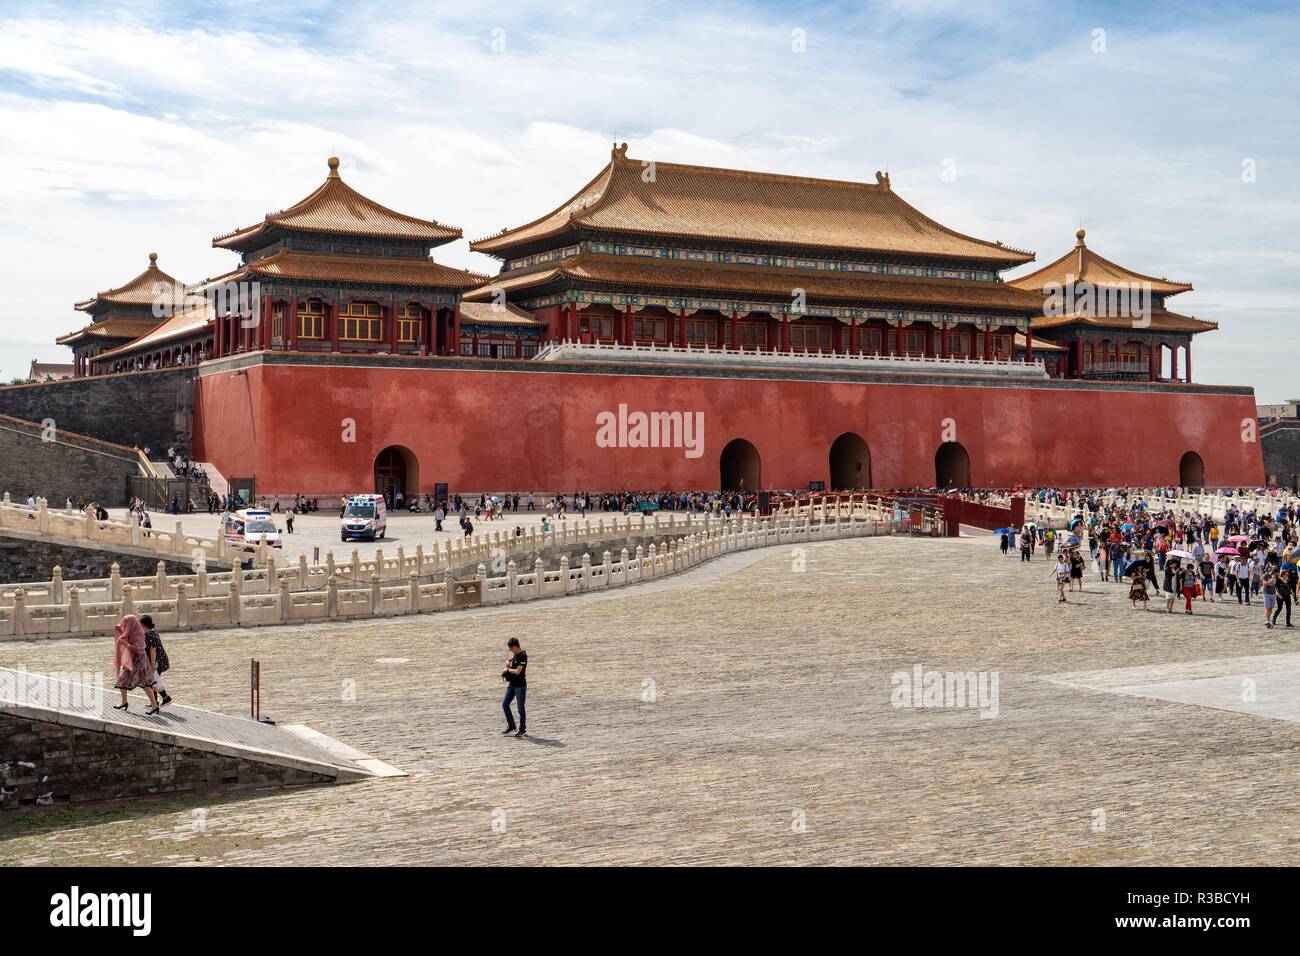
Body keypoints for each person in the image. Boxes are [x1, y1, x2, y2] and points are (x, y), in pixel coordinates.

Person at [113, 614, 160, 714]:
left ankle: (125, 702)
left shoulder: (137, 634)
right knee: (144, 684)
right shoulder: (135, 631)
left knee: (127, 682)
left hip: (139, 662)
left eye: (125, 623)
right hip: (138, 661)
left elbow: (138, 649)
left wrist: (125, 644)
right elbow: (121, 632)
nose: (124, 625)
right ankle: (125, 702)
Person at [140, 615, 173, 707]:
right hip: (161, 660)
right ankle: (154, 702)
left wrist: (153, 665)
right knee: (152, 681)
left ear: (143, 625)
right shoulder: (154, 633)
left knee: (152, 681)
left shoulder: (149, 635)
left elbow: (153, 650)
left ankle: (165, 698)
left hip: (157, 662)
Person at [500, 637, 527, 737]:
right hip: (512, 685)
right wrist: (508, 661)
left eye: (511, 648)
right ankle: (512, 726)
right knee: (505, 704)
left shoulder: (523, 657)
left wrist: (507, 670)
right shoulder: (516, 654)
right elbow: (513, 659)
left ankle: (522, 729)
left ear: (515, 646)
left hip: (520, 686)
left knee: (520, 709)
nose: (510, 650)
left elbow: (517, 671)